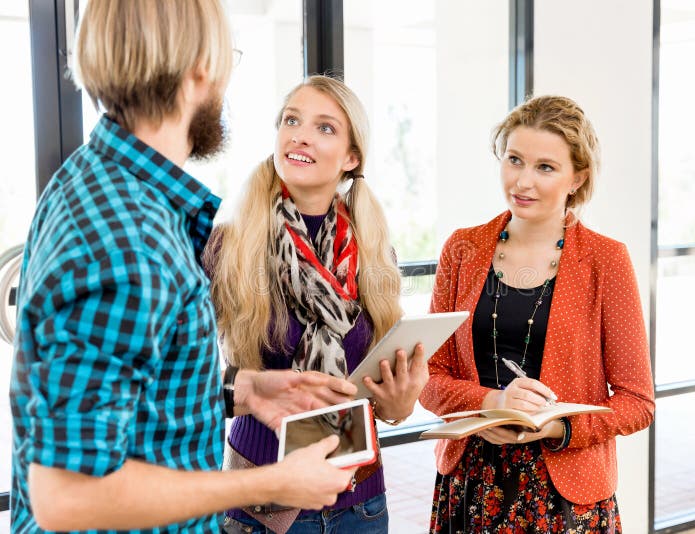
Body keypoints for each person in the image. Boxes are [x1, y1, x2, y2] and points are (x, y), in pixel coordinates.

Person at [9, 2, 359, 532]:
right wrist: (270, 482)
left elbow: (136, 390)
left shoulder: (102, 185)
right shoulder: (129, 233)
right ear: (200, 68)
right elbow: (67, 496)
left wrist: (243, 390)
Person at [203, 74, 429, 534]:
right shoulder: (230, 247)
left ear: (352, 157)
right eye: (291, 120)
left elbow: (377, 387)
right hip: (262, 508)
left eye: (324, 127)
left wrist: (399, 403)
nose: (300, 135)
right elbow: (178, 371)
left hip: (360, 503)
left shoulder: (373, 252)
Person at [418, 95, 655, 532]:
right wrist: (490, 403)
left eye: (545, 167)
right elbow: (428, 377)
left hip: (567, 496)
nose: (522, 181)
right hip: (472, 483)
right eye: (514, 160)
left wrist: (557, 429)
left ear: (577, 177)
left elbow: (637, 402)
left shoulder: (607, 260)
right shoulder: (462, 249)